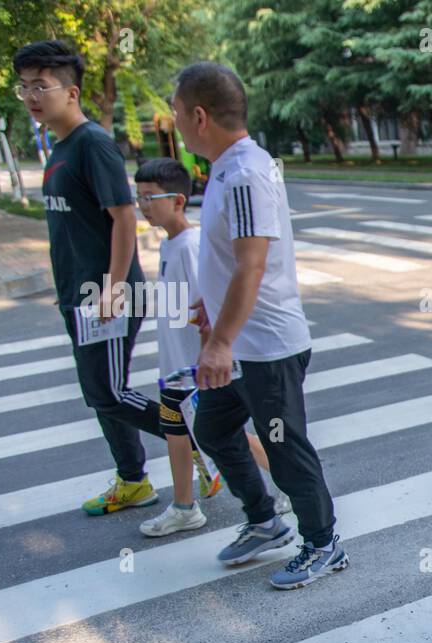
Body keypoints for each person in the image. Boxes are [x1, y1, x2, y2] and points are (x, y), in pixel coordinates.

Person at [170, 61, 347, 589]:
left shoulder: (246, 172)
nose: (174, 122)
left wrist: (219, 341)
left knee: (285, 446)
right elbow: (233, 262)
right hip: (241, 343)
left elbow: (252, 263)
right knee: (214, 429)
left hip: (265, 346)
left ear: (199, 116)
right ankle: (265, 521)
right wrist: (214, 310)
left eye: (177, 113)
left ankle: (324, 543)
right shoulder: (227, 169)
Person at [13, 40, 165, 515]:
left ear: (72, 91)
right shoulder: (59, 148)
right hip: (78, 296)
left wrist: (114, 287)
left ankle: (210, 435)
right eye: (25, 87)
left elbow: (123, 218)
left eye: (42, 85)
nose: (32, 96)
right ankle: (133, 480)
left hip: (109, 295)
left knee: (109, 392)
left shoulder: (92, 143)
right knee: (102, 395)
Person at [132, 158, 294, 537]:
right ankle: (184, 506)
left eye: (150, 197)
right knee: (175, 432)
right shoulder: (171, 244)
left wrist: (207, 359)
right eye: (138, 197)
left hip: (195, 367)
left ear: (177, 200)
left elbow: (210, 306)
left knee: (228, 434)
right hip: (175, 366)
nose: (143, 205)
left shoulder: (189, 245)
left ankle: (284, 481)